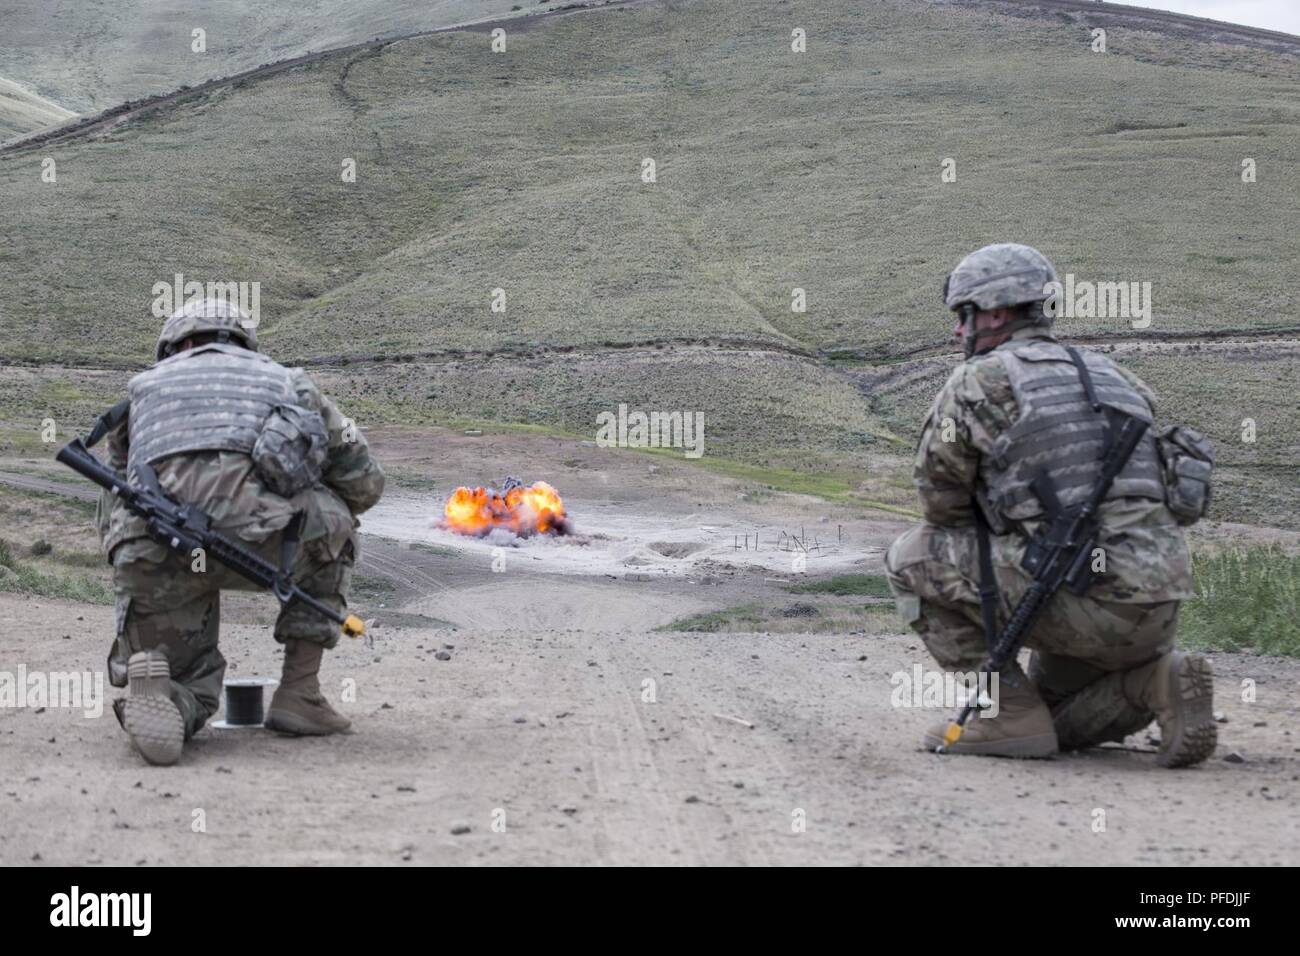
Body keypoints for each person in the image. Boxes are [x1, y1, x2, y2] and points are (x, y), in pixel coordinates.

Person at [885, 243, 1216, 767]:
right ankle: (1153, 680)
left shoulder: (979, 380)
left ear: (994, 312)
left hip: (1078, 598)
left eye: (962, 315)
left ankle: (1004, 713)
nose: (956, 331)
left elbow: (940, 507)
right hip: (1156, 608)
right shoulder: (1119, 378)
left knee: (910, 557)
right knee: (1056, 719)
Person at [97, 298, 385, 765]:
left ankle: (167, 695)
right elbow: (364, 483)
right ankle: (299, 694)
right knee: (337, 522)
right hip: (267, 542)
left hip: (155, 555)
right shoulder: (287, 382)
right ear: (244, 343)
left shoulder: (138, 396)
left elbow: (116, 499)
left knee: (193, 682)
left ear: (174, 346)